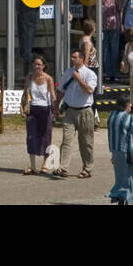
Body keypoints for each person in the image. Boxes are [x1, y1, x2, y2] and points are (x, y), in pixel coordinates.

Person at [53, 49, 97, 179]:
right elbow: (61, 89)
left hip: (85, 111)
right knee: (66, 140)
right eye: (72, 57)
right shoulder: (68, 72)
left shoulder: (90, 74)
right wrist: (56, 105)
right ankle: (63, 167)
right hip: (70, 111)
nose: (72, 59)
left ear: (82, 59)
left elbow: (89, 90)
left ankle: (87, 168)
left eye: (75, 57)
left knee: (86, 142)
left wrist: (78, 79)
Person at [20, 55, 56, 175]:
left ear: (44, 66)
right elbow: (25, 93)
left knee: (45, 136)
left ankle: (45, 164)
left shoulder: (48, 79)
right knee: (31, 136)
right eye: (35, 64)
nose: (36, 67)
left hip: (45, 110)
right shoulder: (30, 77)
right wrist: (21, 107)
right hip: (32, 110)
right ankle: (33, 166)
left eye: (39, 65)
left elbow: (52, 95)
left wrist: (55, 108)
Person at [107, 96, 133, 205]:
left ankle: (120, 197)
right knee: (131, 178)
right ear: (126, 105)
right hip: (128, 152)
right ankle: (126, 200)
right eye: (130, 104)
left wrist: (112, 152)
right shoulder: (131, 119)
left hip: (115, 150)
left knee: (119, 178)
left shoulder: (111, 116)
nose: (131, 106)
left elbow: (109, 135)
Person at [101, 0, 122, 81]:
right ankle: (109, 73)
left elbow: (119, 9)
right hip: (103, 26)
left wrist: (121, 24)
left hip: (114, 25)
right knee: (105, 51)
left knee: (114, 50)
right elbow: (92, 9)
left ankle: (115, 73)